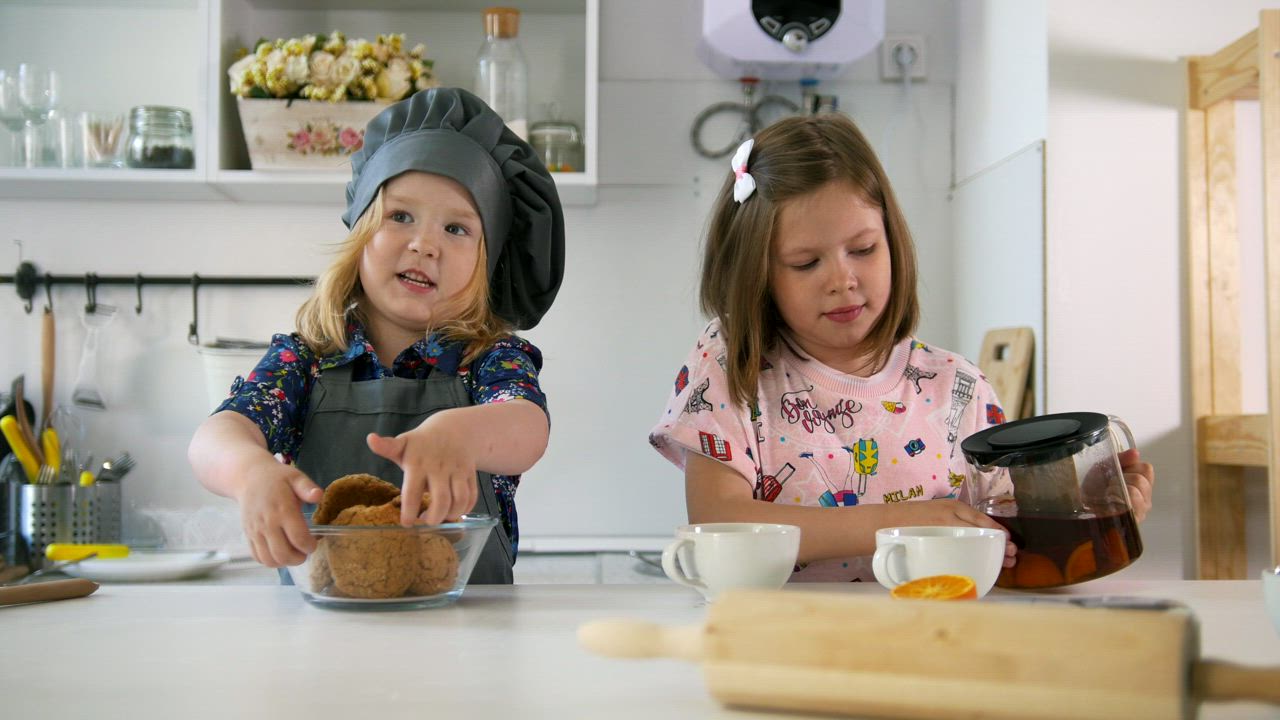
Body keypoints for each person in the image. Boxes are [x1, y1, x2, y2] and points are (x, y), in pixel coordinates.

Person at [648, 113, 1154, 582]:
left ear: (892, 241)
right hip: (780, 649)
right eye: (805, 263)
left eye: (864, 249)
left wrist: (1085, 509)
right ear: (756, 273)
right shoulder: (732, 362)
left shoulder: (958, 387)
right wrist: (904, 522)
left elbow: (1011, 555)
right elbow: (719, 521)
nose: (843, 280)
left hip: (929, 644)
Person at [188, 87, 564, 584]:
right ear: (361, 233)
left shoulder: (489, 359)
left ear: (487, 265)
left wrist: (457, 433)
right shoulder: (309, 358)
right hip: (327, 630)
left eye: (457, 229)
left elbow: (526, 428)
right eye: (400, 216)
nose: (424, 244)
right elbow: (217, 435)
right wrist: (250, 473)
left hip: (469, 631)